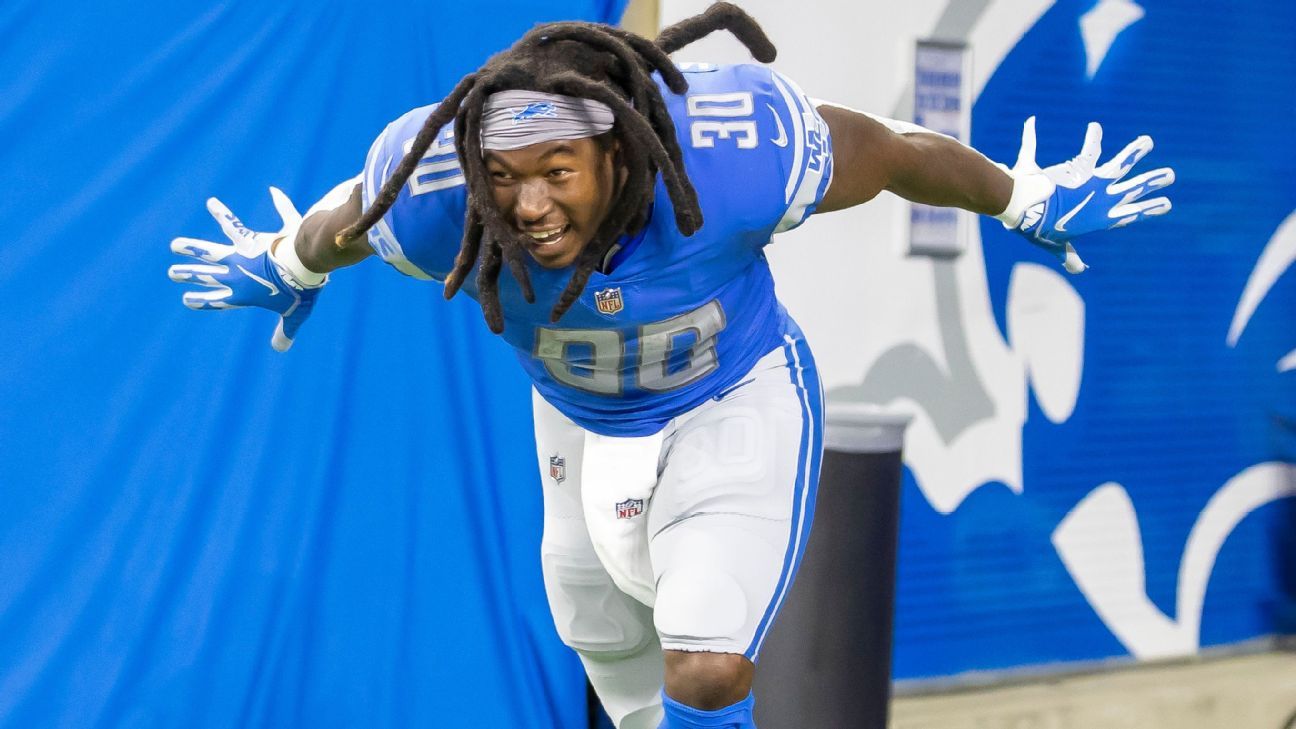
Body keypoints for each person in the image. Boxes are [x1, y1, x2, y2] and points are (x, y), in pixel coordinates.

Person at [167, 4, 1174, 728]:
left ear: (623, 153)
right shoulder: (434, 197)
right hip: (576, 418)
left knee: (702, 665)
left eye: (556, 171)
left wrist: (1018, 200)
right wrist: (283, 262)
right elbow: (349, 217)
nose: (526, 205)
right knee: (601, 643)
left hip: (732, 395)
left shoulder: (729, 156)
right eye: (504, 177)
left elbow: (892, 147)